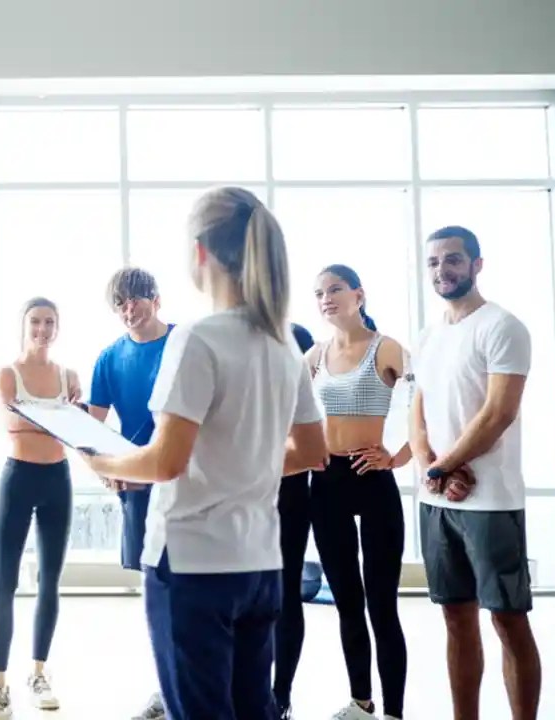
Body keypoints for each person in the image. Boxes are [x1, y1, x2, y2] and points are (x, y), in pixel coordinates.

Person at [79, 186, 328, 720]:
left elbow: (165, 461)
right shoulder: (284, 341)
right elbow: (311, 450)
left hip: (192, 565)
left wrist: (102, 461)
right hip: (260, 563)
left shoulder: (196, 338)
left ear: (199, 253)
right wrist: (245, 466)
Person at [410, 226, 541, 720]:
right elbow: (415, 412)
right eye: (434, 262)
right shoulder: (429, 335)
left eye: (454, 260)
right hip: (438, 500)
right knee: (455, 618)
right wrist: (433, 471)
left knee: (508, 621)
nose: (443, 270)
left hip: (492, 502)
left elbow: (497, 413)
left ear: (477, 264)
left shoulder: (503, 326)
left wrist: (444, 467)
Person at [304, 265, 410, 720]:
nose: (326, 298)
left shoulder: (386, 348)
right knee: (347, 601)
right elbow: (287, 412)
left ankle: (394, 713)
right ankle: (362, 702)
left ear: (358, 295)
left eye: (335, 289)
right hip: (327, 483)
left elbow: (429, 405)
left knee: (381, 605)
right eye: (319, 293)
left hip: (373, 480)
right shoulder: (313, 356)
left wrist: (399, 456)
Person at [0, 297, 79, 719]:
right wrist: (54, 417)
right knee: (4, 582)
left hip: (58, 480)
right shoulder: (8, 374)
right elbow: (11, 422)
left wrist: (38, 416)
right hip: (18, 478)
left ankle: (38, 673)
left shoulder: (68, 375)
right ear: (24, 326)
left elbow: (72, 426)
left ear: (58, 328)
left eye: (49, 322)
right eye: (35, 321)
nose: (42, 329)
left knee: (50, 581)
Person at [86, 267, 173, 720]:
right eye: (119, 303)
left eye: (135, 299)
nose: (128, 309)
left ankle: (201, 685)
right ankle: (167, 688)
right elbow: (91, 431)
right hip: (138, 488)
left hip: (185, 481)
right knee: (155, 588)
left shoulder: (184, 344)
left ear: (156, 298)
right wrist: (106, 470)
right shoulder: (109, 358)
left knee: (194, 586)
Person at [273, 321, 317, 720]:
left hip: (290, 499)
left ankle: (281, 695)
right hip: (250, 500)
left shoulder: (304, 393)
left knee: (285, 595)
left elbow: (311, 452)